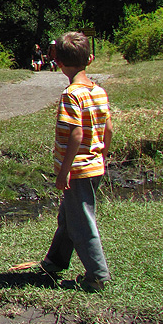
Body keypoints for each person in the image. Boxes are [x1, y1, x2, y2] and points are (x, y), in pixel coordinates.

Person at [38, 31, 113, 291]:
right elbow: (109, 129)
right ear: (90, 59)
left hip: (77, 169)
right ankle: (54, 261)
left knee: (81, 222)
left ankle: (97, 275)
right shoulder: (99, 92)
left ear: (58, 62)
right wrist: (102, 156)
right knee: (69, 217)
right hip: (95, 165)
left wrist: (64, 171)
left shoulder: (71, 95)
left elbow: (75, 133)